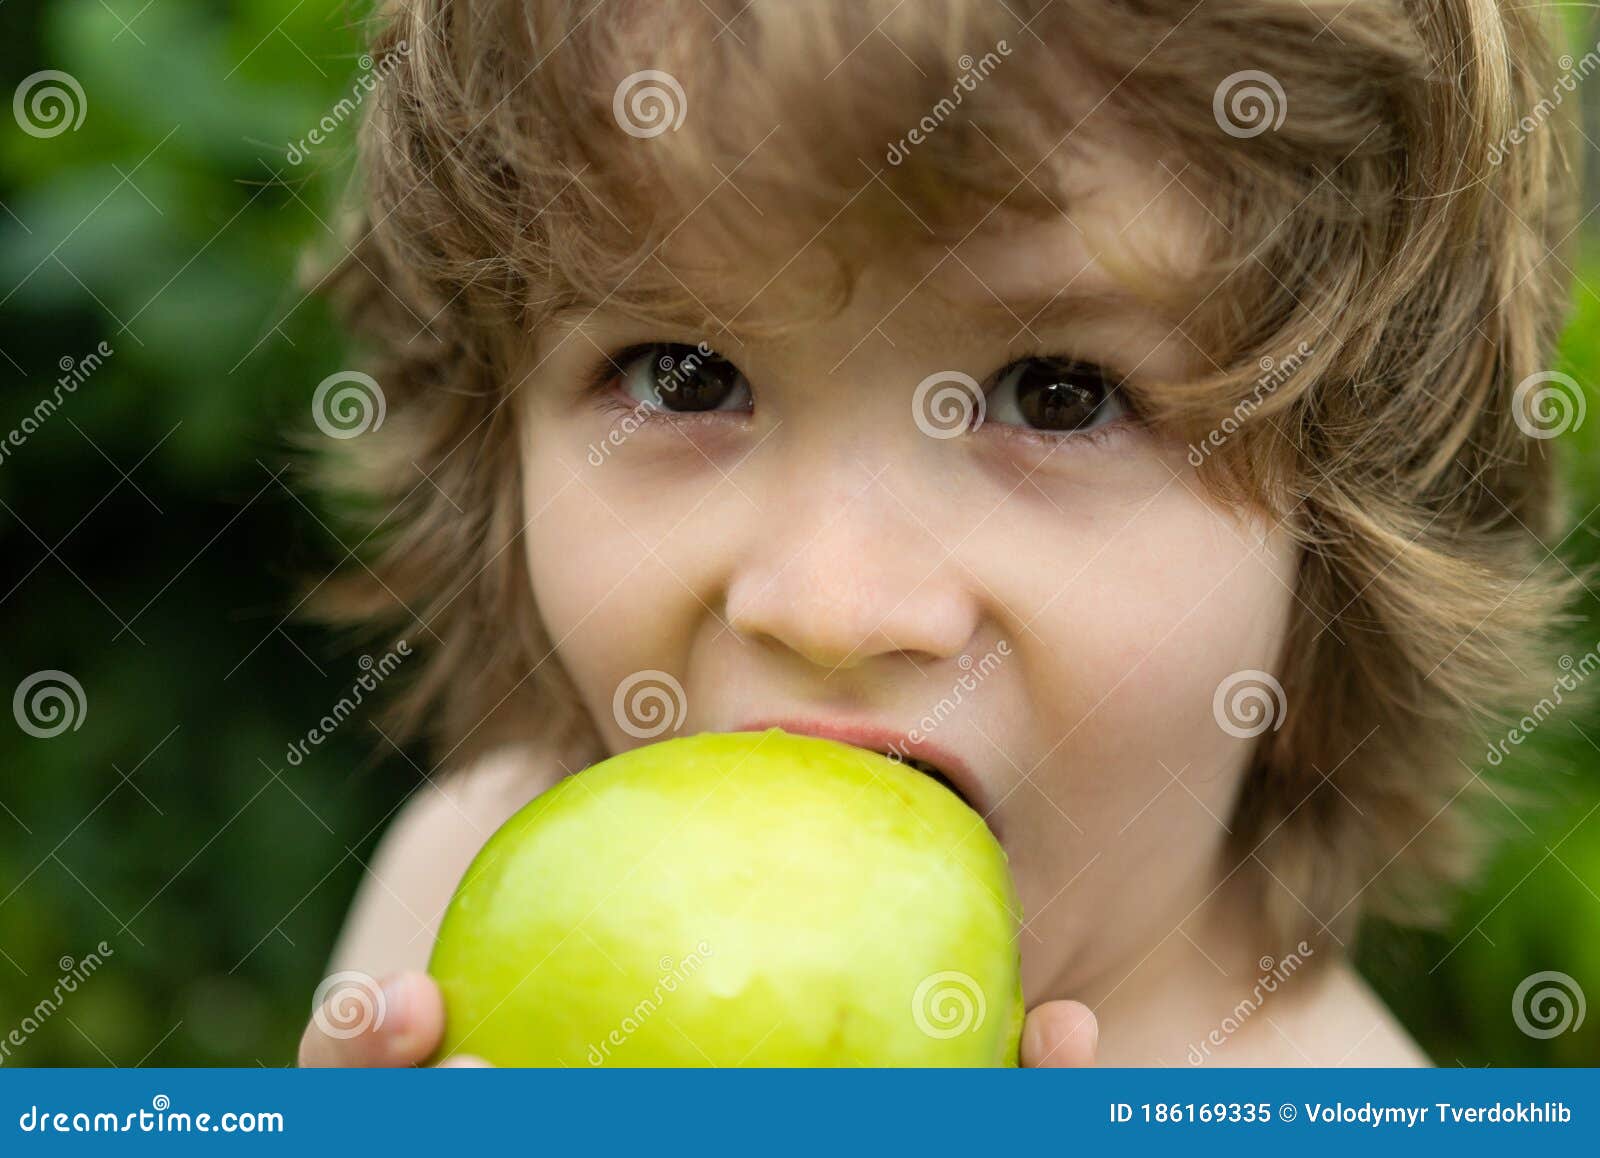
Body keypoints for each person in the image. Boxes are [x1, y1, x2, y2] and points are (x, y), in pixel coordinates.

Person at [294, 0, 1580, 1067]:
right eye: (684, 375)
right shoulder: (463, 880)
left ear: (1341, 562)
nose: (831, 604)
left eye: (1058, 398)